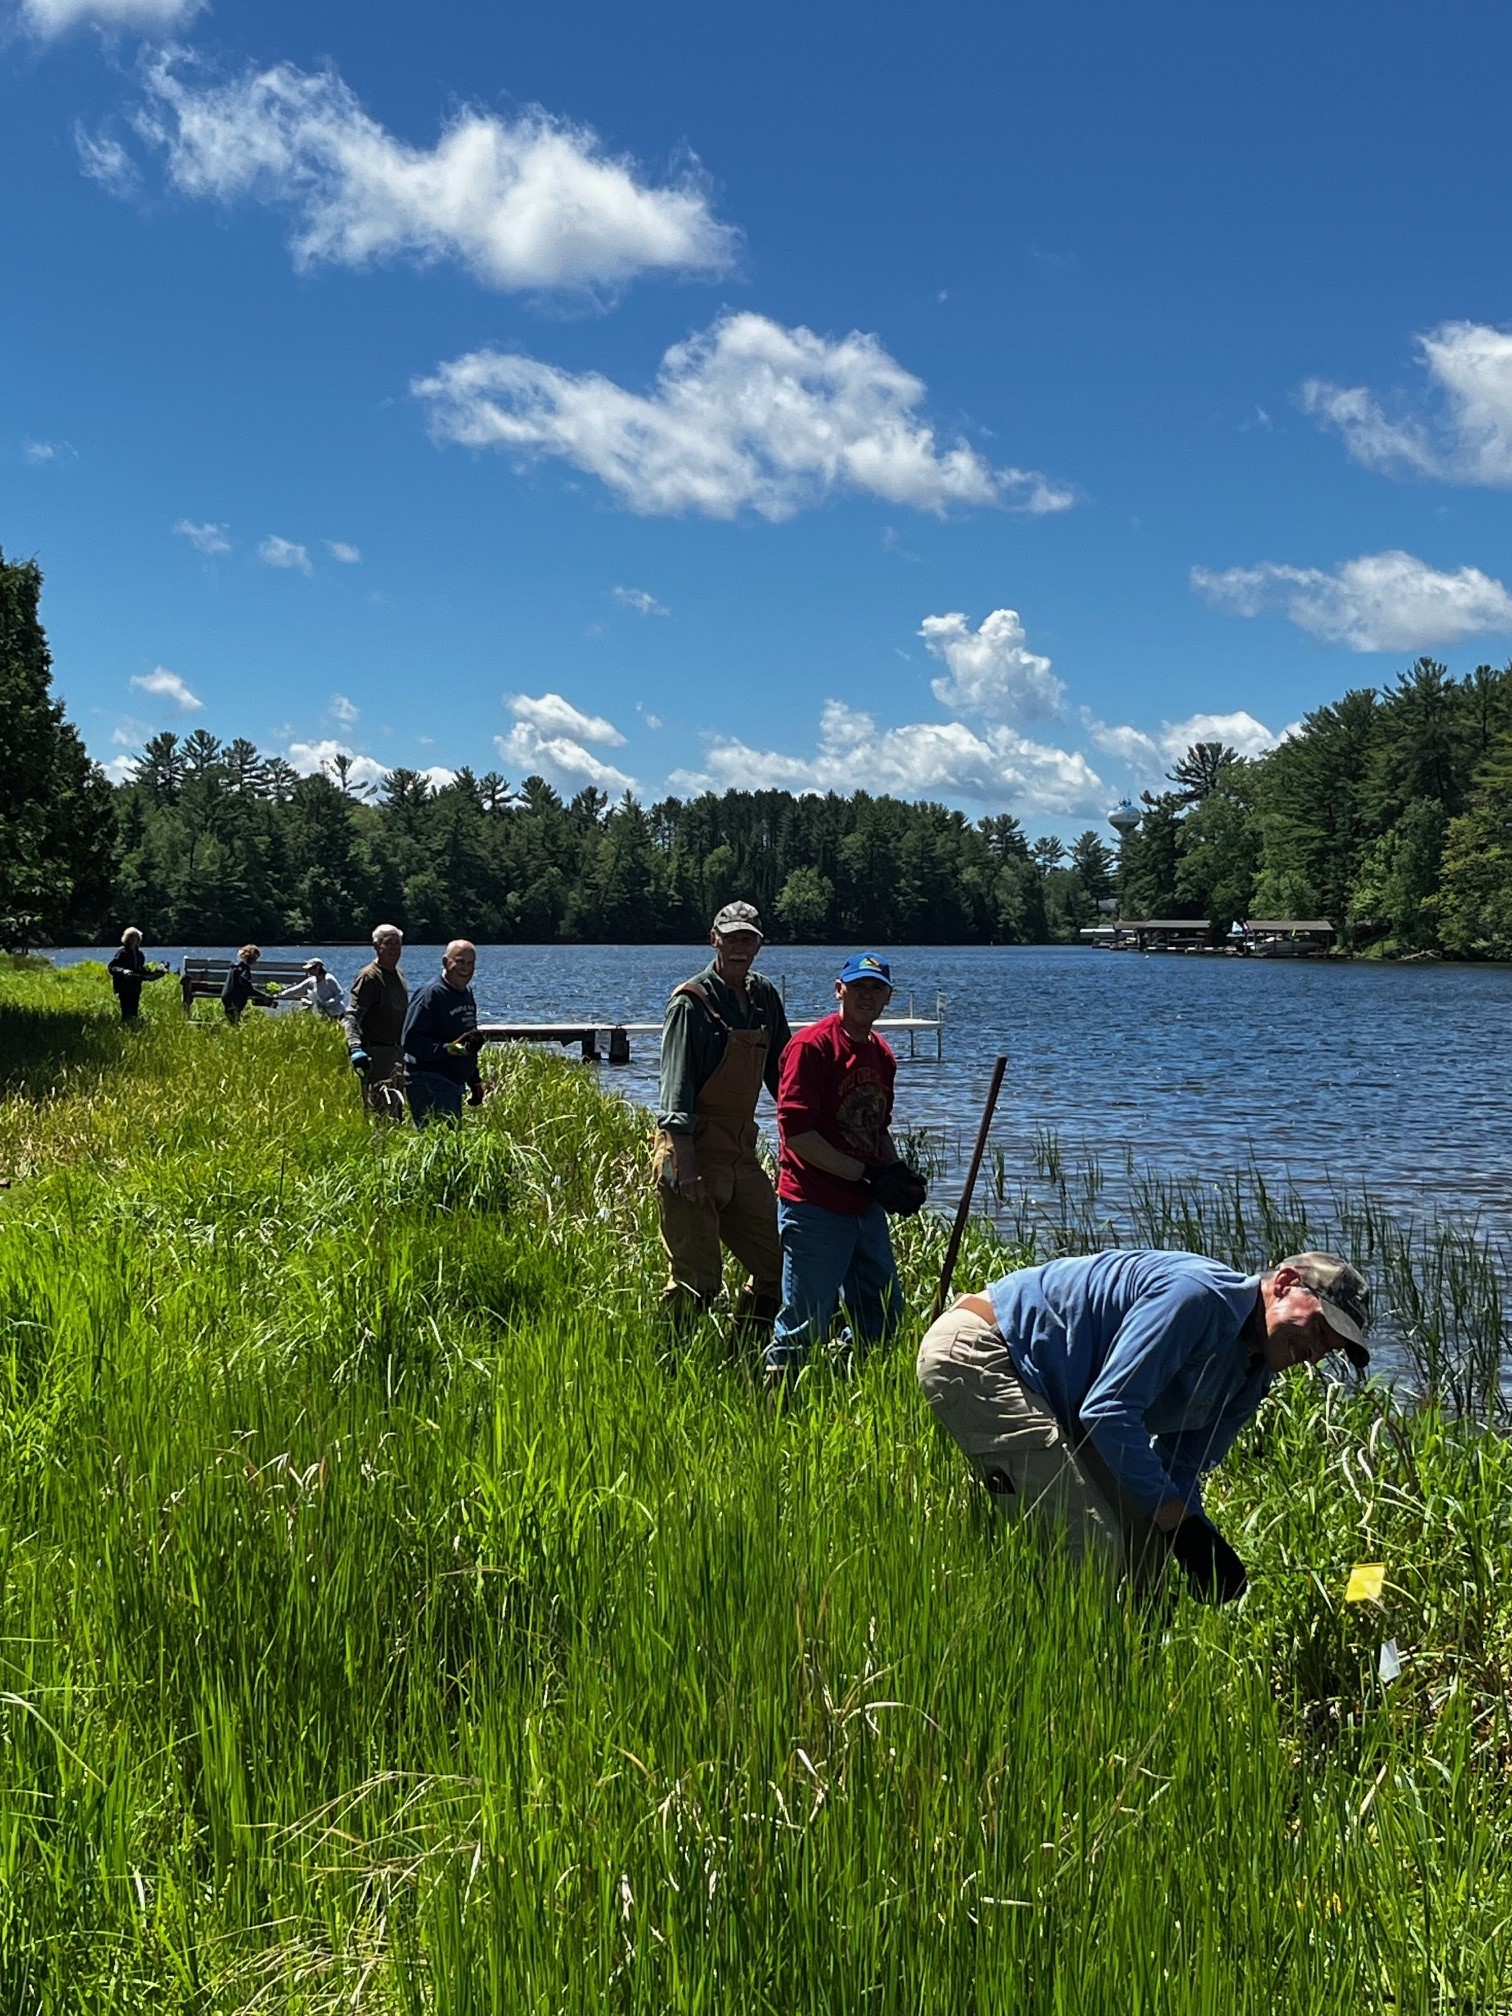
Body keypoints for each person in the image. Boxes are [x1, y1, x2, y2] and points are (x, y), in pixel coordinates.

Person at [916, 1249, 1372, 1603]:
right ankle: (1068, 1685)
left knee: (1149, 1545)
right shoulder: (1198, 1299)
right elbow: (1108, 1410)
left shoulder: (1252, 1376)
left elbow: (1184, 1464)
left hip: (1062, 1402)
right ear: (1286, 1284)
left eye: (1327, 1349)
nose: (1313, 1354)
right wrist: (1178, 1521)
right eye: (1317, 1330)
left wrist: (1197, 1536)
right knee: (1088, 1544)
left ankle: (1133, 1667)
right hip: (985, 1355)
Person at [767, 952, 926, 1382]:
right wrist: (868, 1176)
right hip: (814, 1207)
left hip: (864, 1209)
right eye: (858, 987)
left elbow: (877, 1129)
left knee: (882, 1316)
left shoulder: (882, 1055)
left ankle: (852, 1389)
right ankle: (776, 1407)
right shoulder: (811, 1047)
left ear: (888, 997)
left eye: (876, 989)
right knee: (805, 1322)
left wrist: (896, 1172)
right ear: (840, 989)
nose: (866, 996)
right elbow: (797, 1135)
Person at [652, 900, 792, 1338]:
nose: (739, 947)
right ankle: (671, 1363)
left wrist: (799, 1140)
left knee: (779, 1265)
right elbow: (674, 1098)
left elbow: (784, 1075)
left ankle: (744, 1346)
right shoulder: (690, 1004)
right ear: (714, 940)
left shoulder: (765, 997)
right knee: (697, 1281)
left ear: (759, 945)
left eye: (747, 939)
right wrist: (688, 1168)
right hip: (689, 1152)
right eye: (730, 938)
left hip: (739, 1152)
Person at [401, 939, 484, 1127]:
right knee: (437, 1145)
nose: (465, 968)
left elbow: (468, 1042)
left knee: (450, 1145)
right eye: (460, 962)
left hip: (453, 1084)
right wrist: (448, 1049)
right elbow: (410, 1042)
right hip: (430, 1082)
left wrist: (474, 1080)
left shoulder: (466, 992)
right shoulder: (431, 994)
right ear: (446, 962)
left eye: (470, 963)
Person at [344, 925, 409, 1113]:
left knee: (397, 1109)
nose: (394, 948)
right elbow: (352, 1016)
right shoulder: (369, 977)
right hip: (376, 1054)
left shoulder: (399, 975)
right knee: (379, 1109)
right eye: (388, 943)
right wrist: (355, 1047)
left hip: (397, 1053)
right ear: (376, 945)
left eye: (397, 943)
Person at [105, 927, 167, 1023]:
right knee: (126, 1011)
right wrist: (123, 971)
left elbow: (140, 971)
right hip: (124, 986)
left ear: (138, 939)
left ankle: (133, 1028)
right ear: (127, 938)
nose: (133, 939)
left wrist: (155, 974)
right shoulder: (122, 952)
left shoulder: (140, 955)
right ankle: (124, 1029)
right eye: (131, 937)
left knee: (134, 1012)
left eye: (135, 937)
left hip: (136, 986)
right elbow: (112, 967)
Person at [220, 944, 275, 1024]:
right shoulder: (245, 969)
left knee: (232, 1020)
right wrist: (264, 995)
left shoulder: (234, 966)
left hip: (226, 995)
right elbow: (246, 985)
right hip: (236, 998)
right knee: (235, 1020)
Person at [276, 957, 344, 1018]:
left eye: (310, 969)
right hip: (324, 1013)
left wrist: (329, 1002)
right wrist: (280, 995)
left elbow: (340, 994)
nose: (309, 971)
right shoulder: (312, 980)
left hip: (337, 1013)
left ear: (318, 967)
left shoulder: (329, 979)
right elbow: (297, 989)